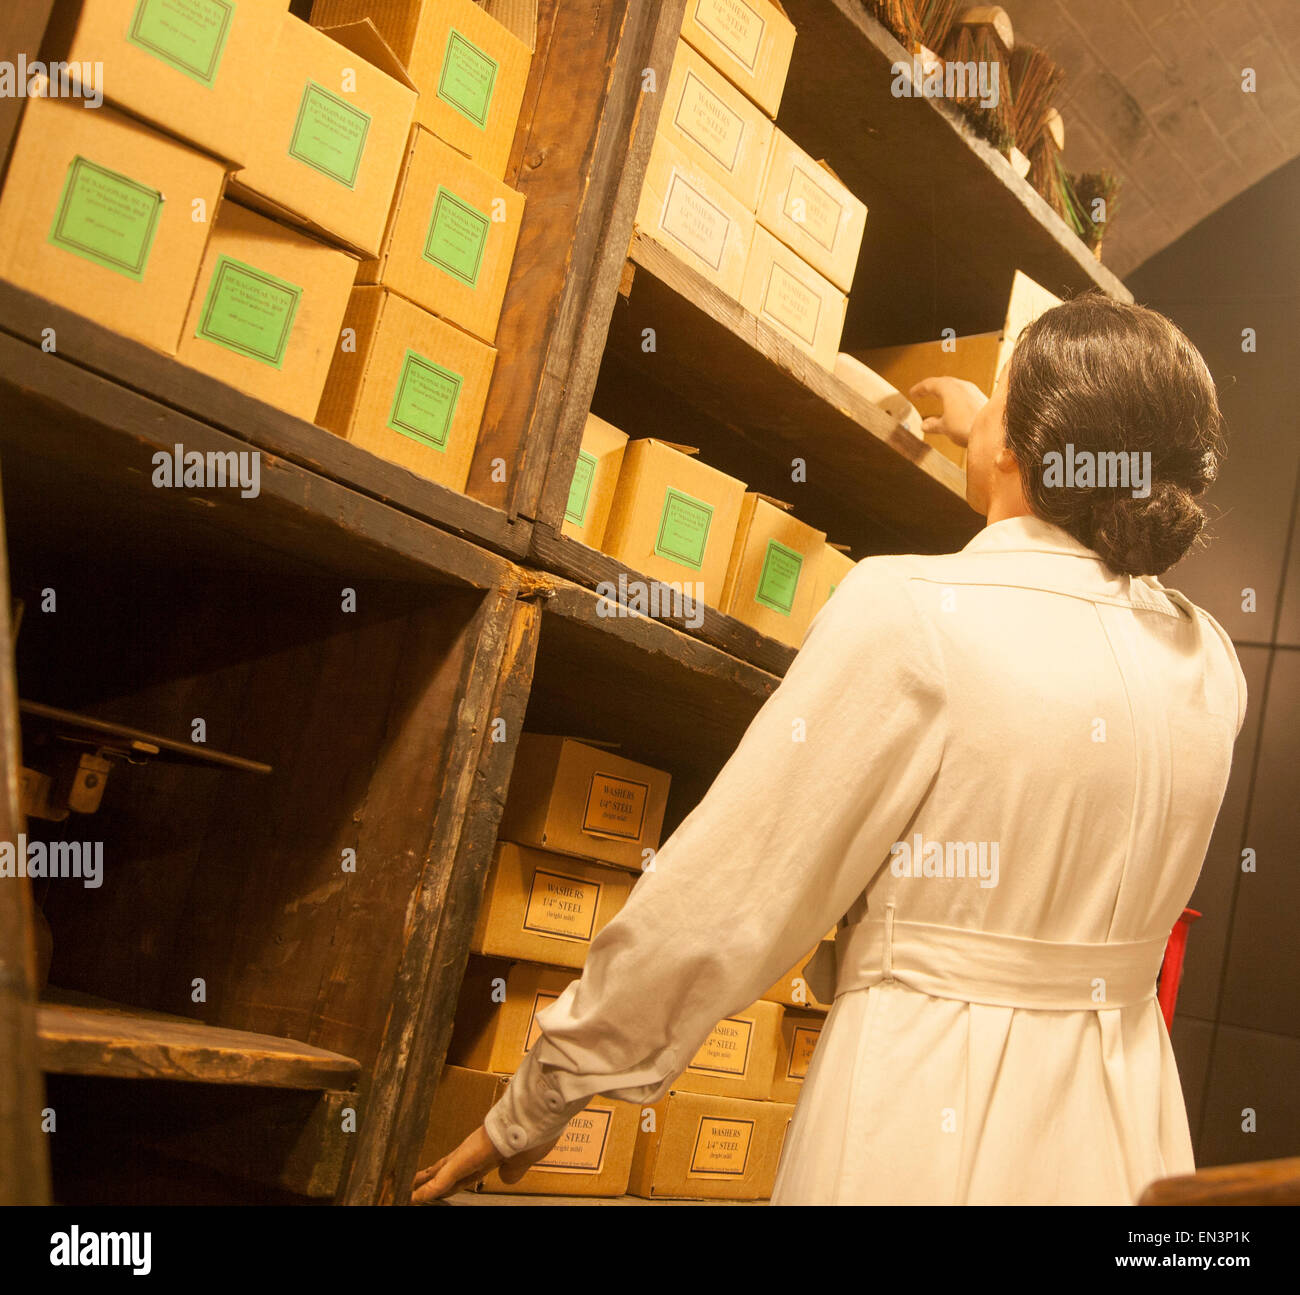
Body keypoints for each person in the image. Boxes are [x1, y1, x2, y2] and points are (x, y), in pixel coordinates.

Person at [412, 292, 1246, 1206]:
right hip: (1129, 1124)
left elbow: (728, 889)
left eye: (998, 392)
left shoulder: (910, 613)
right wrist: (996, 438)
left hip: (928, 1108)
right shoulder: (1207, 658)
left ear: (1023, 445)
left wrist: (541, 1093)